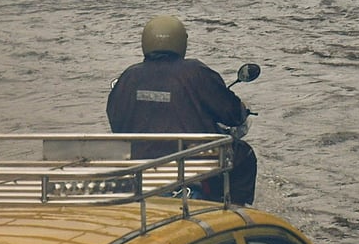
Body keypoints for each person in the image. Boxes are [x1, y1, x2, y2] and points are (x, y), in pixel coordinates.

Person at [107, 15, 257, 205]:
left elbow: (115, 119)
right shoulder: (196, 72)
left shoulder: (129, 76)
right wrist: (242, 110)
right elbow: (232, 114)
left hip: (140, 164)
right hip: (192, 162)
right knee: (244, 154)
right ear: (181, 42)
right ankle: (239, 213)